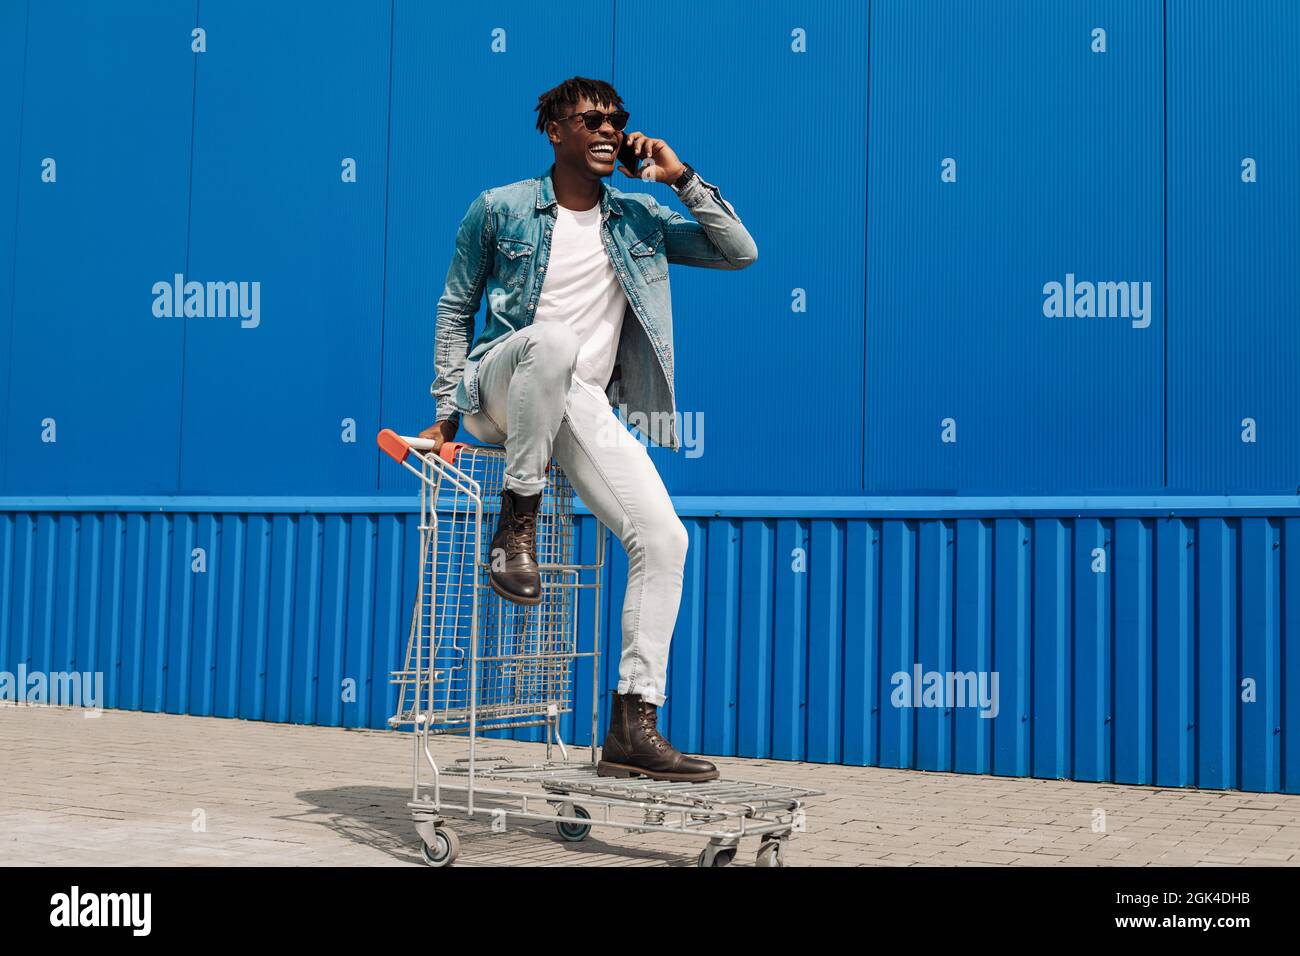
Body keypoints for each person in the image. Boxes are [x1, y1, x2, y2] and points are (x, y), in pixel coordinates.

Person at [419, 76, 757, 782]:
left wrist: (679, 177)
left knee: (665, 539)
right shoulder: (500, 208)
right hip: (500, 388)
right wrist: (448, 409)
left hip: (579, 405)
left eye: (617, 121)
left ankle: (634, 722)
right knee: (550, 341)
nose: (608, 130)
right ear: (555, 130)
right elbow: (456, 309)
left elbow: (739, 250)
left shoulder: (637, 219)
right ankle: (517, 525)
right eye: (592, 120)